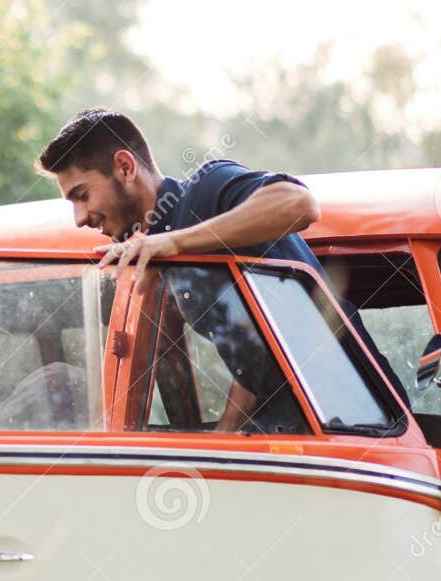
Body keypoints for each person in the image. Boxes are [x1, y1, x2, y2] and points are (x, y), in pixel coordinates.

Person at [36, 106, 406, 427]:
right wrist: (224, 436)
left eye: (82, 196)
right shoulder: (158, 250)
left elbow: (300, 204)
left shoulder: (206, 189)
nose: (80, 219)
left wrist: (175, 242)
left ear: (124, 166)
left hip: (360, 428)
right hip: (295, 436)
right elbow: (253, 358)